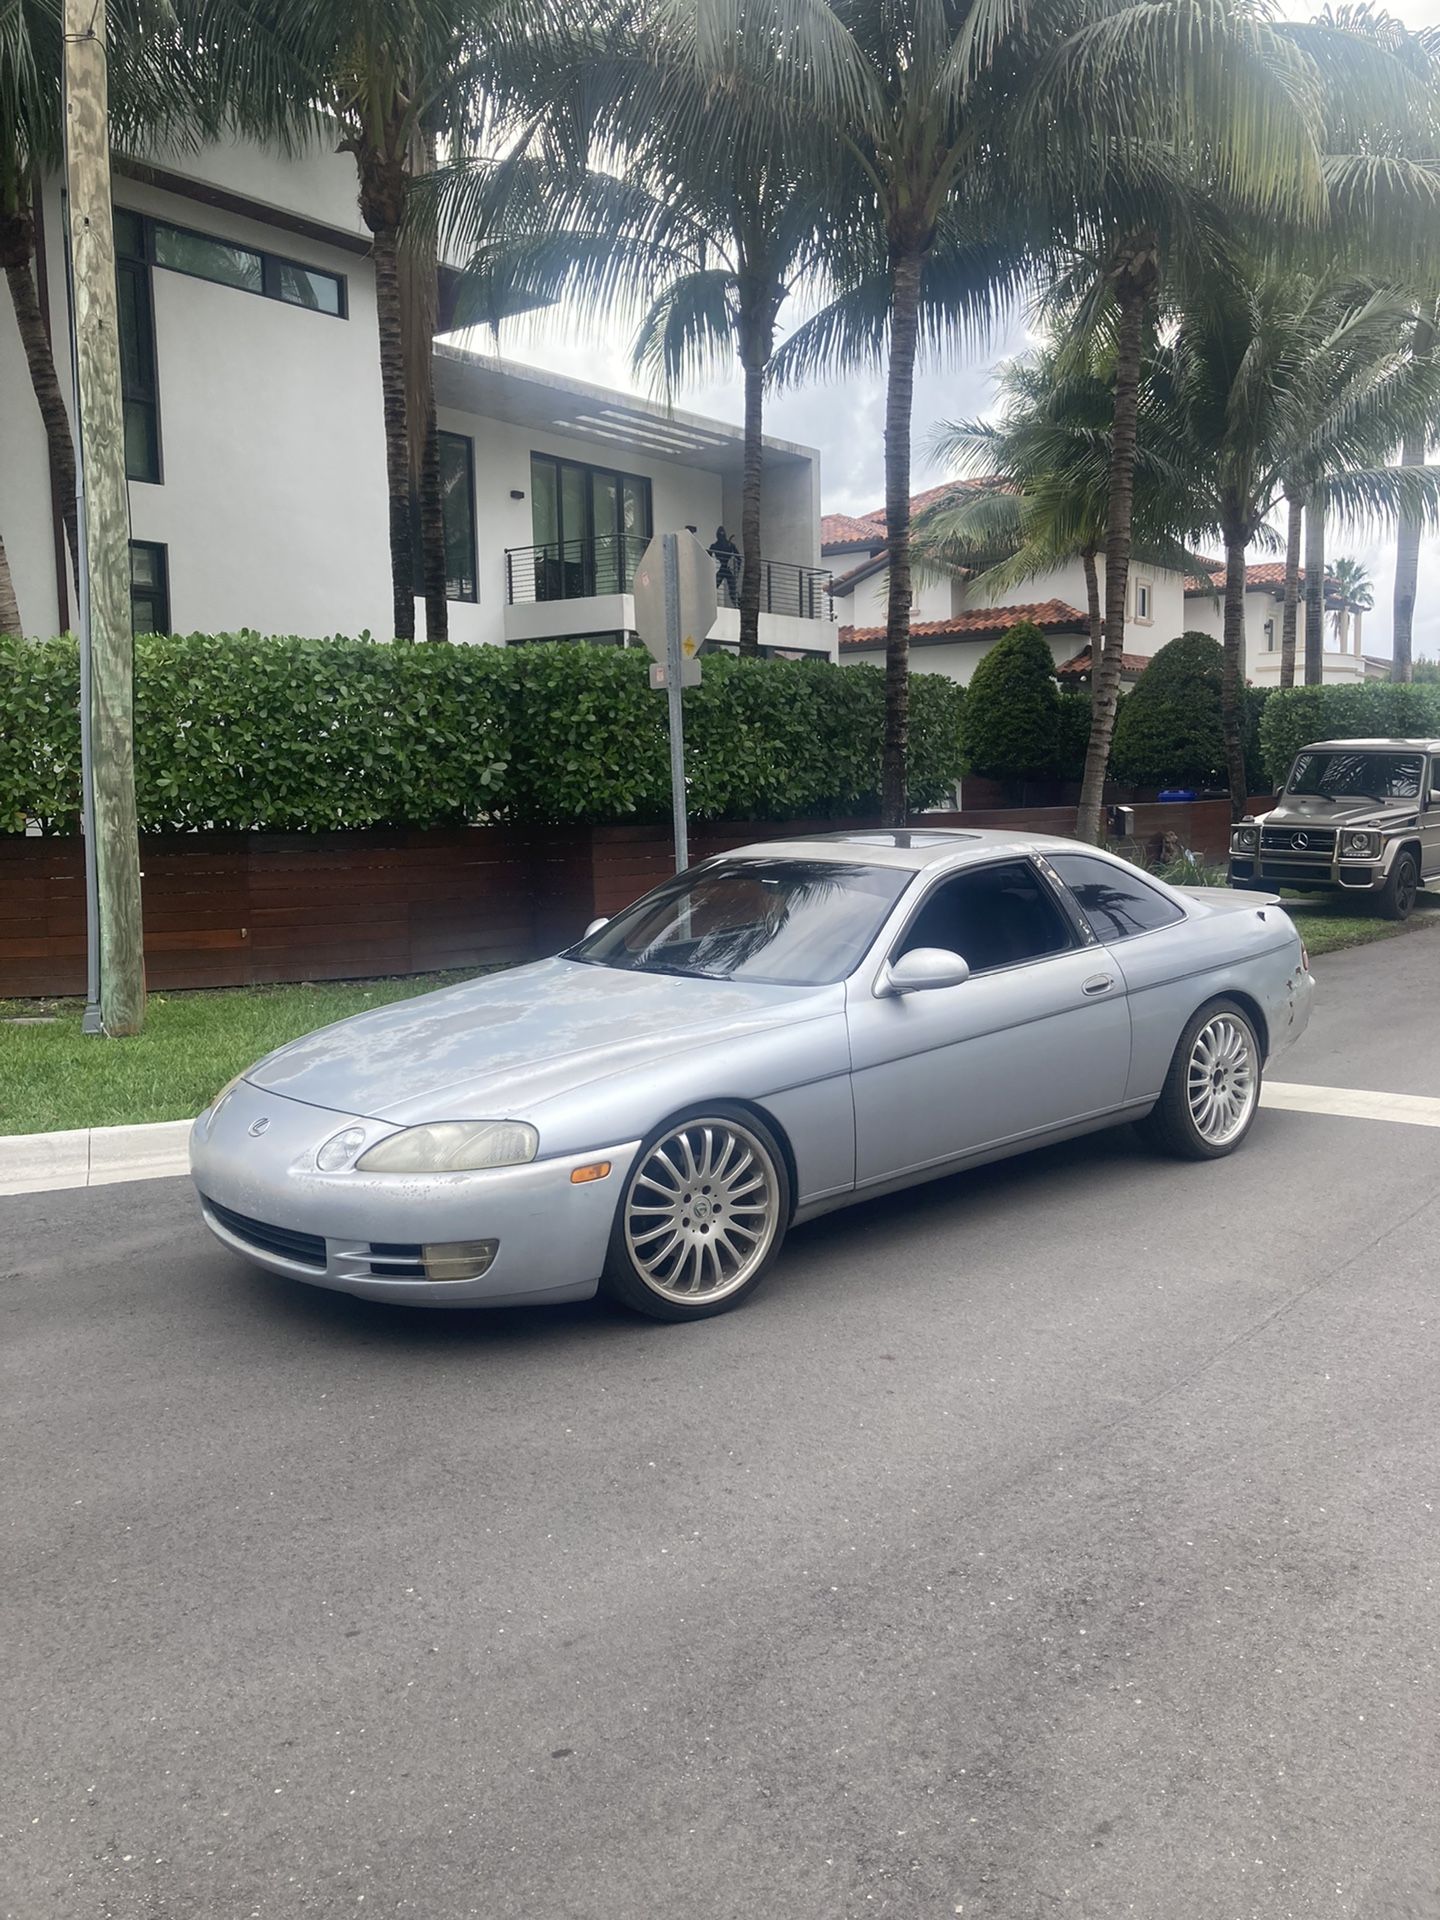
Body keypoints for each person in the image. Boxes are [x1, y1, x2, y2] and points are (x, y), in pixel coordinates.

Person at [709, 525, 740, 605]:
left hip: (726, 568)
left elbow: (739, 558)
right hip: (723, 569)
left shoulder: (730, 545)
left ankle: (738, 605)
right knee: (713, 587)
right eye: (720, 534)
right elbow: (707, 556)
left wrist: (737, 570)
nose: (721, 535)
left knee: (732, 590)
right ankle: (709, 603)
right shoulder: (714, 546)